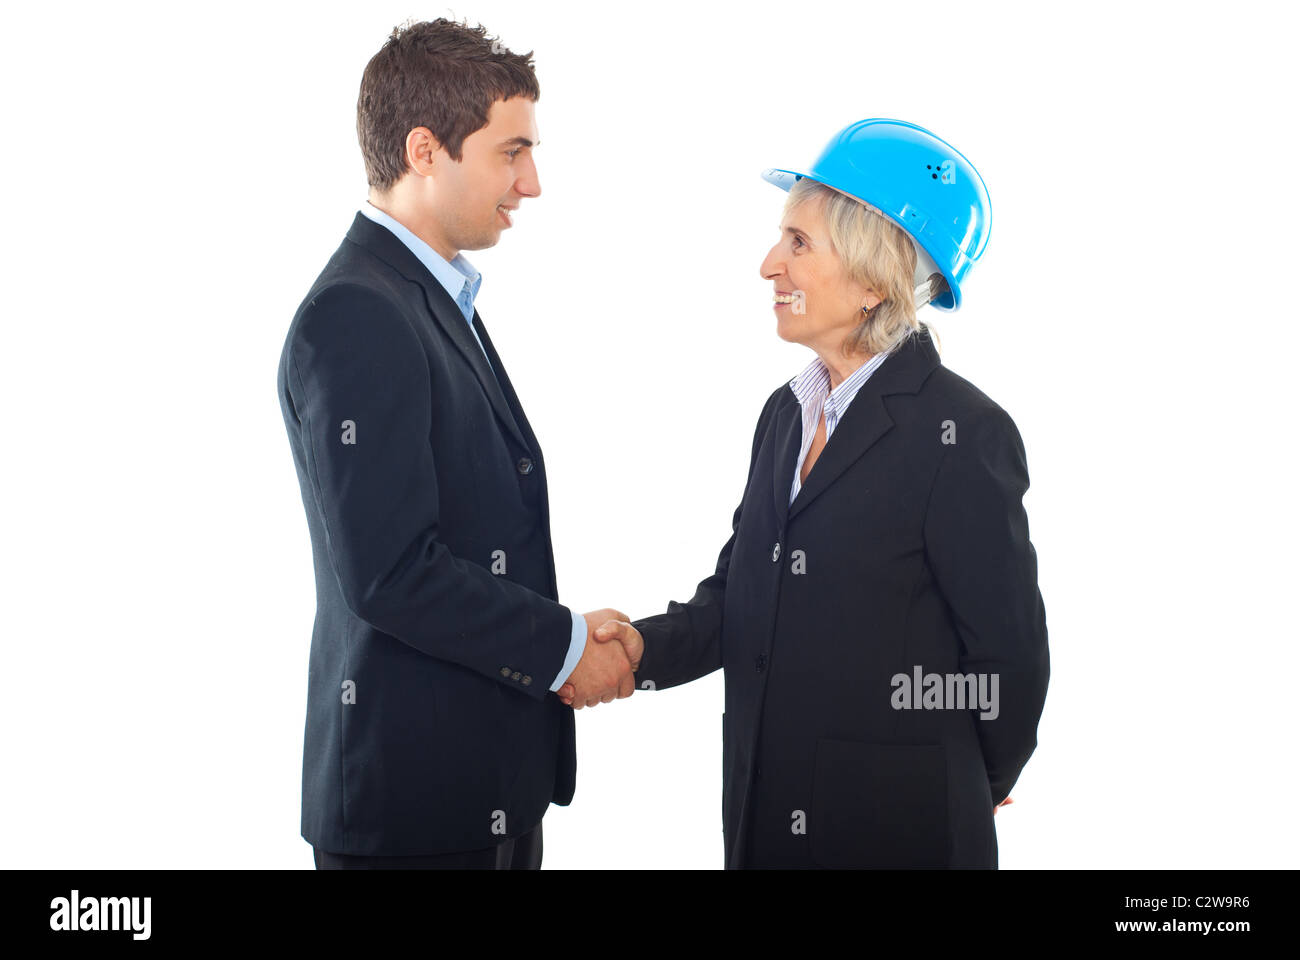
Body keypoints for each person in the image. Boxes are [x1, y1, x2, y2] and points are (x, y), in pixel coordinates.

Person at [566, 119, 1049, 869]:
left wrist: (951, 779)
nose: (768, 265)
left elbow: (1009, 663)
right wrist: (640, 648)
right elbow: (741, 596)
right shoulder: (785, 415)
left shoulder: (963, 432)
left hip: (900, 837)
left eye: (798, 243)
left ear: (869, 278)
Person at [276, 18, 632, 870]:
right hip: (416, 816)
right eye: (512, 152)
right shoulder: (361, 313)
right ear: (426, 149)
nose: (533, 182)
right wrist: (563, 648)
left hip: (480, 796)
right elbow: (392, 574)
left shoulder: (424, 298)